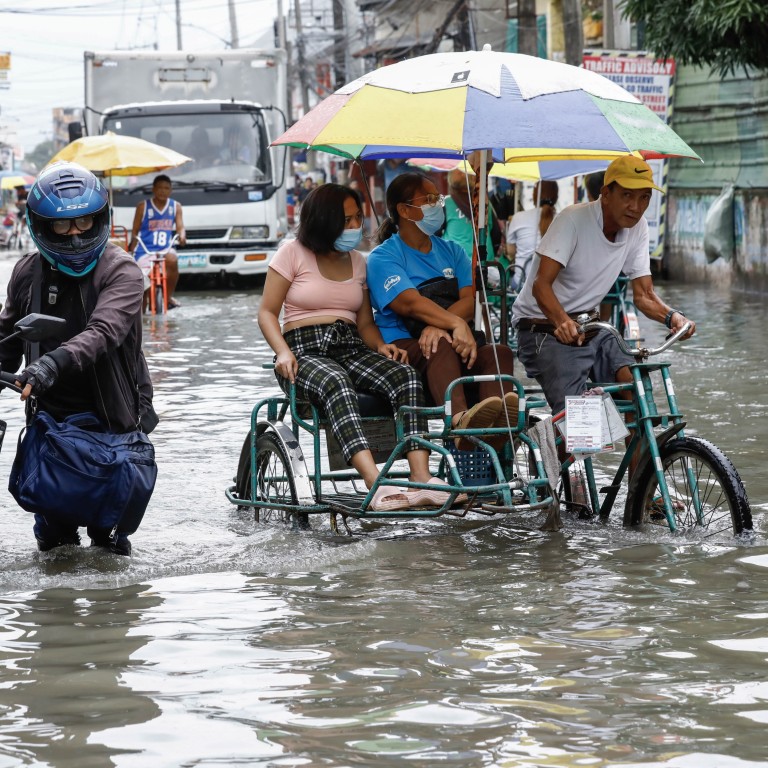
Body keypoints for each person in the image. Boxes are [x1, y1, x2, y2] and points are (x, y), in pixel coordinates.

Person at [258, 182, 454, 510]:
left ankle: (421, 477)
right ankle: (375, 484)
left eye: (357, 219)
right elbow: (266, 312)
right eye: (346, 221)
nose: (354, 227)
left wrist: (380, 346)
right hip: (303, 351)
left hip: (350, 346)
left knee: (405, 375)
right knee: (337, 382)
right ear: (324, 221)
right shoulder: (290, 253)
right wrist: (282, 351)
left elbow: (364, 323)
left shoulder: (358, 262)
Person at [0, 161, 157, 555]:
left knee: (109, 548)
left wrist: (53, 362)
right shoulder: (26, 273)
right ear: (40, 226)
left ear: (99, 219)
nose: (74, 236)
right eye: (62, 226)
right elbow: (7, 338)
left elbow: (104, 332)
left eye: (84, 223)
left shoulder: (121, 271)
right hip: (51, 428)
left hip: (112, 422)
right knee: (55, 547)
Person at [512, 155, 696, 416]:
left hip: (591, 327)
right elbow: (541, 285)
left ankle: (643, 457)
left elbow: (644, 295)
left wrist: (673, 317)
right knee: (578, 418)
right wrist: (561, 321)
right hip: (541, 330)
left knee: (637, 390)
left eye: (644, 197)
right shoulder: (573, 220)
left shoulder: (638, 227)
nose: (636, 206)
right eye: (627, 196)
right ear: (606, 193)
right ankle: (560, 453)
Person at [366, 172, 518, 451]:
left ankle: (499, 430)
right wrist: (453, 325)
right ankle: (460, 423)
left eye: (439, 198)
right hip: (404, 344)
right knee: (440, 346)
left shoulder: (453, 251)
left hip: (451, 338)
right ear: (404, 210)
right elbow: (409, 303)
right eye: (430, 199)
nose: (438, 205)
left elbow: (468, 301)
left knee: (499, 353)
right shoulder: (383, 257)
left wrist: (443, 325)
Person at [128, 174, 186, 309]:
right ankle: (141, 317)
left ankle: (168, 297)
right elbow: (135, 230)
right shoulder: (143, 207)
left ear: (170, 191)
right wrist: (132, 247)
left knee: (173, 259)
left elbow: (180, 227)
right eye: (159, 188)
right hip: (145, 250)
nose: (163, 191)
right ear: (153, 189)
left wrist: (182, 236)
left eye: (166, 188)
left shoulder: (175, 207)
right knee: (141, 284)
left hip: (165, 249)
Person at [505, 180, 558, 291]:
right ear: (556, 197)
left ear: (534, 195)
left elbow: (510, 251)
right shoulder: (562, 220)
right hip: (553, 287)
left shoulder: (518, 217)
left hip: (521, 284)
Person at [442, 168, 497, 259]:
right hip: (484, 261)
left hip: (455, 263)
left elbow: (435, 233)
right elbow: (495, 234)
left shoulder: (445, 203)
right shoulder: (484, 203)